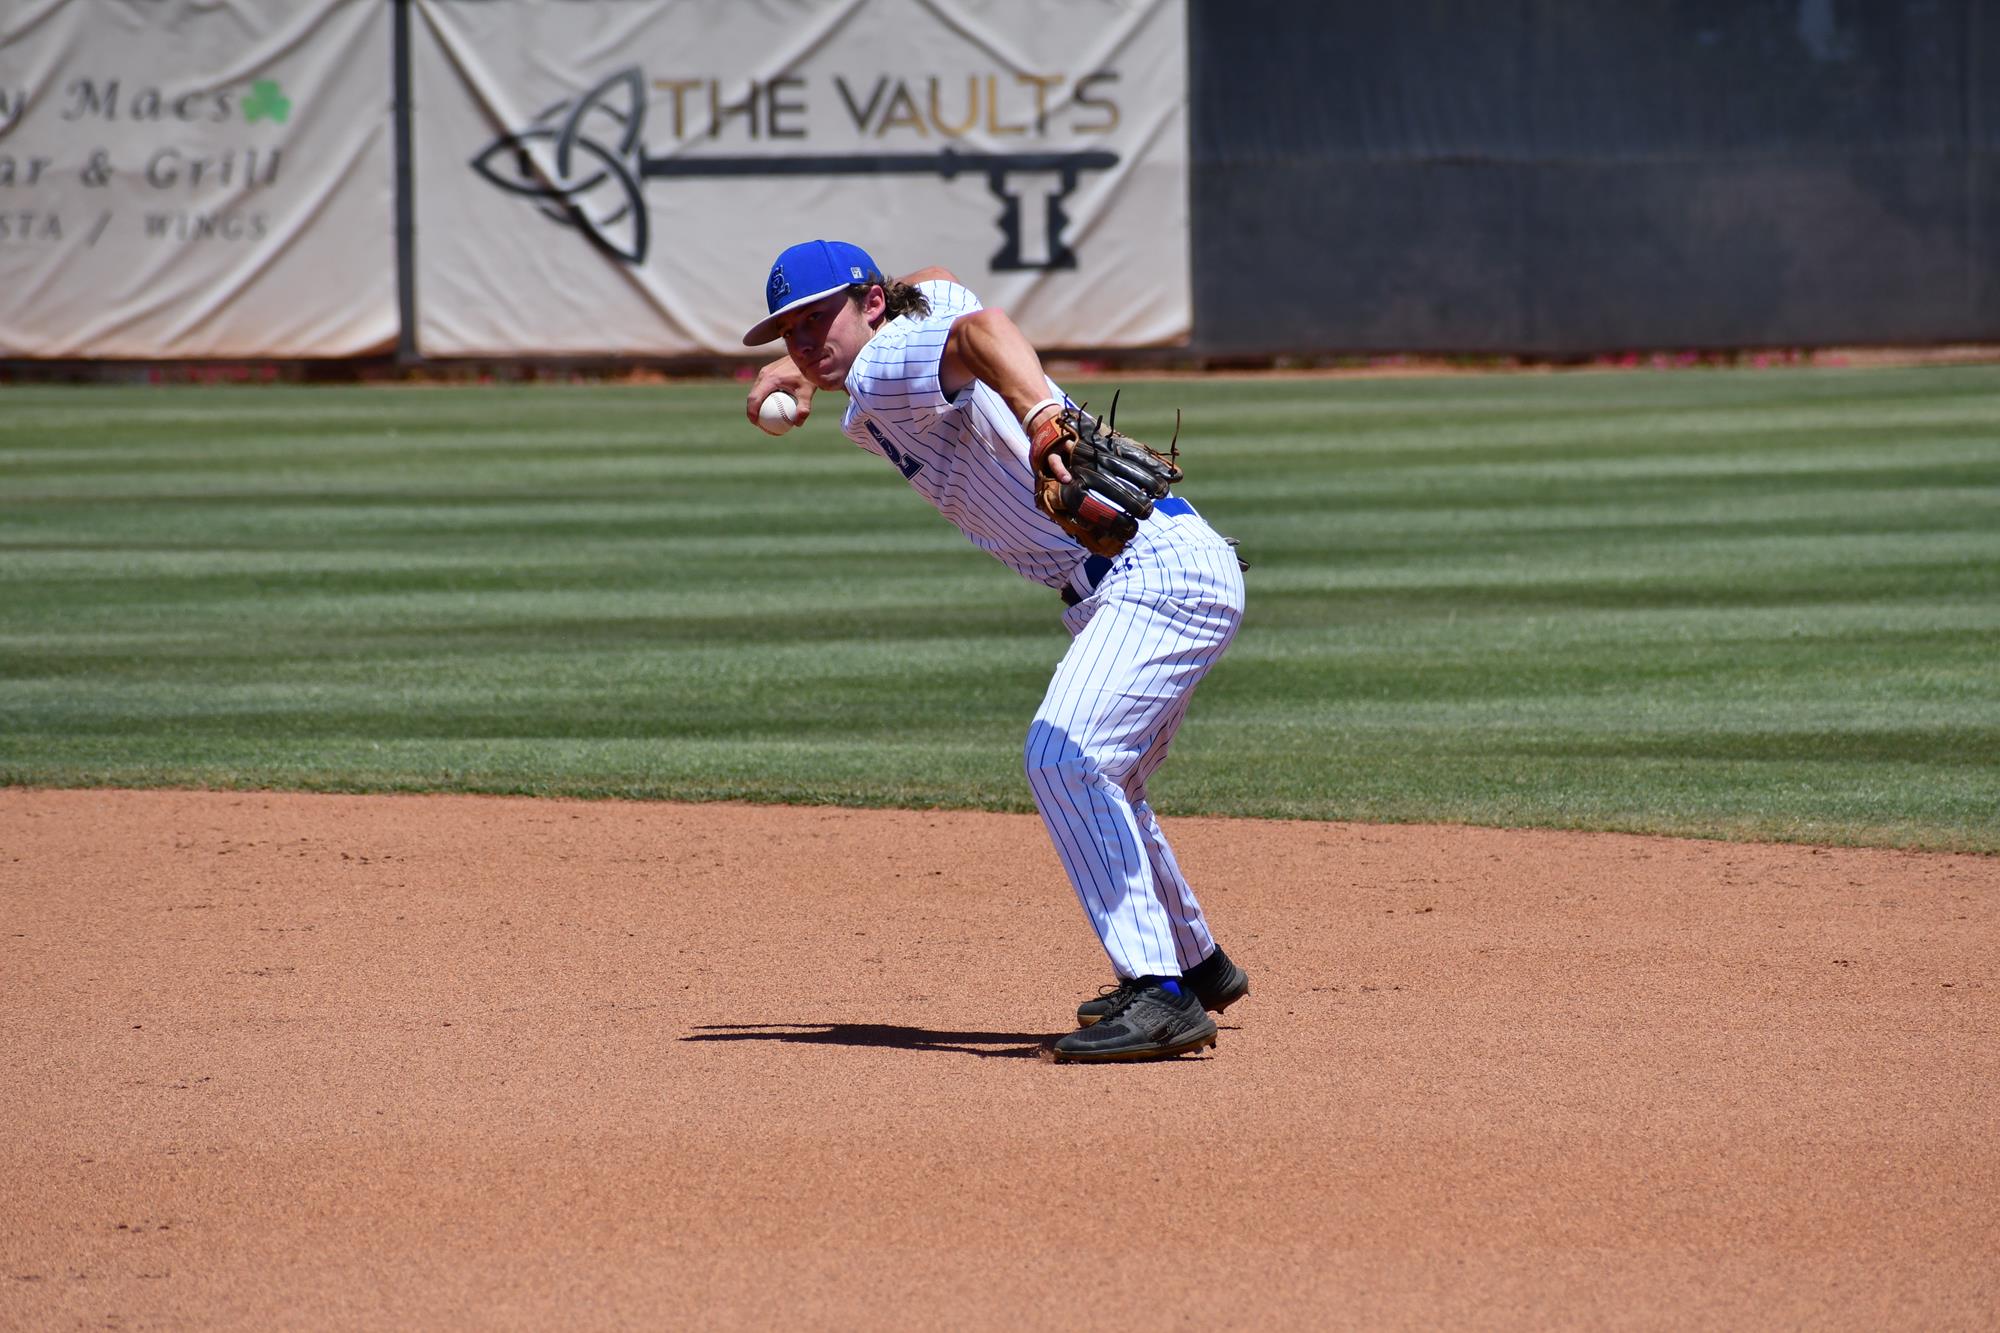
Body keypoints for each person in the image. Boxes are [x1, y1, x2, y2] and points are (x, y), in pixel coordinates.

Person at [742, 238, 1248, 1063]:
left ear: (869, 303)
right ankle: (1195, 963)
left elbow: (984, 330)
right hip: (1159, 567)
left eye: (816, 320)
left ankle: (1160, 997)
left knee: (1063, 756)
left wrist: (1042, 413)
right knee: (1107, 773)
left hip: (1150, 574)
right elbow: (940, 285)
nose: (802, 341)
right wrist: (810, 364)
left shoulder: (886, 363)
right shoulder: (902, 325)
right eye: (787, 332)